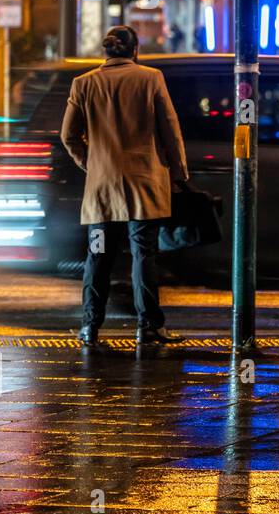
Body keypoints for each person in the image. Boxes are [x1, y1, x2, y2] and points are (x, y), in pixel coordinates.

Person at [61, 26, 189, 348]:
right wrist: (179, 172)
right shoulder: (150, 79)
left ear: (106, 51)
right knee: (143, 254)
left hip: (102, 192)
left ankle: (90, 326)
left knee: (99, 255)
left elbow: (68, 136)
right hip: (143, 188)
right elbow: (170, 129)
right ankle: (148, 326)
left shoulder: (84, 84)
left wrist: (89, 163)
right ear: (135, 50)